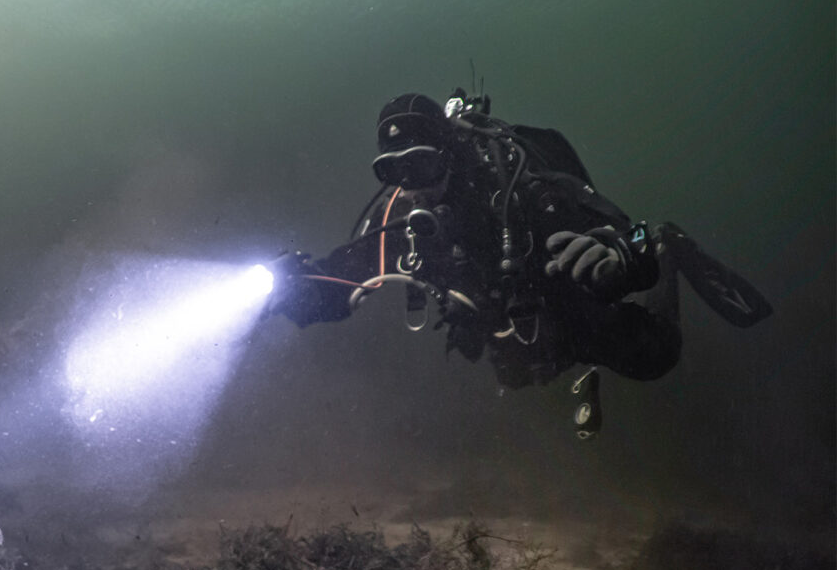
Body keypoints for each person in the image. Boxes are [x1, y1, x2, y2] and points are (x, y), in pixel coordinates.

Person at [266, 91, 772, 434]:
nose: (411, 184)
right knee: (517, 376)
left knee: (655, 357)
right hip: (510, 330)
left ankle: (672, 245)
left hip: (561, 299)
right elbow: (342, 279)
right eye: (393, 170)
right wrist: (289, 289)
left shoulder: (521, 190)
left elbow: (624, 225)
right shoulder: (402, 220)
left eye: (420, 163)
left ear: (448, 152)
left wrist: (628, 251)